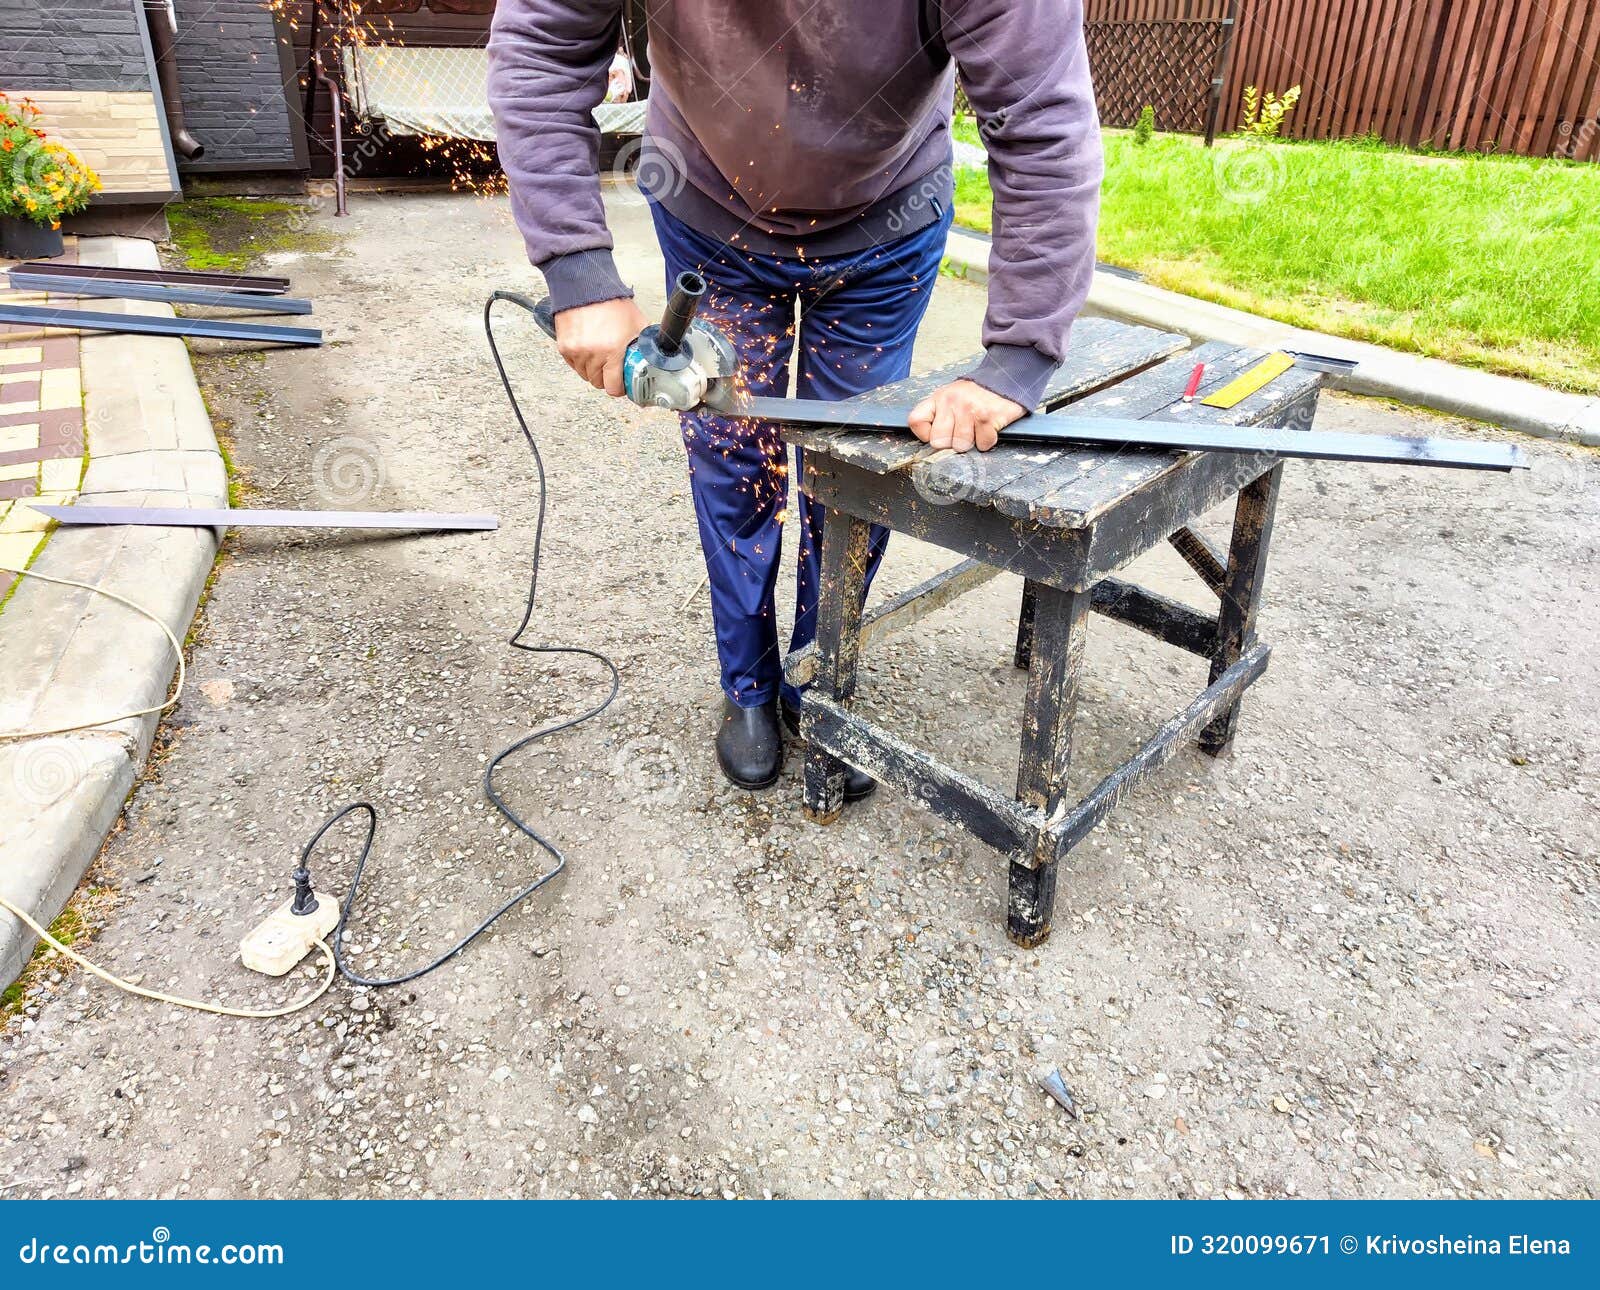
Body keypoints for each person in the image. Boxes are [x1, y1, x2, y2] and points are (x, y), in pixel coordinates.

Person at [488, 1, 1101, 792]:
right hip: (711, 206)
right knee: (733, 458)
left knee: (854, 470)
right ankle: (746, 684)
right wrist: (576, 268)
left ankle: (821, 673)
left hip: (887, 217)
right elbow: (542, 46)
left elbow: (1043, 122)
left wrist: (1018, 357)